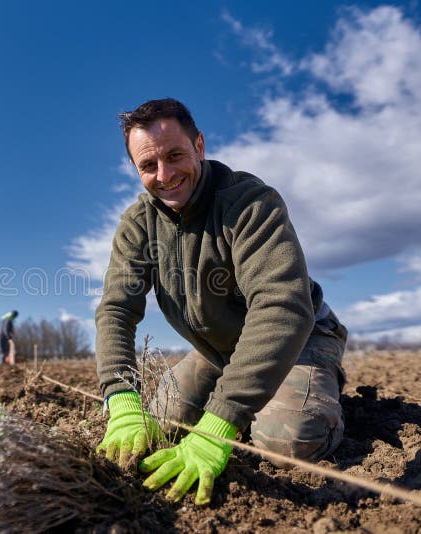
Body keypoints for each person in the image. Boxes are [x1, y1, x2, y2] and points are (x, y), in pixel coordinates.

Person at [95, 98, 348, 506]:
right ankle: (248, 398)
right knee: (161, 424)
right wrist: (121, 398)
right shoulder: (137, 225)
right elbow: (116, 310)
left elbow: (281, 308)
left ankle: (323, 396)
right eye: (148, 166)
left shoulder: (250, 204)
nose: (165, 175)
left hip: (300, 340)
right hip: (218, 349)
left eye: (175, 155)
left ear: (199, 145)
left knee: (288, 443)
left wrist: (221, 423)